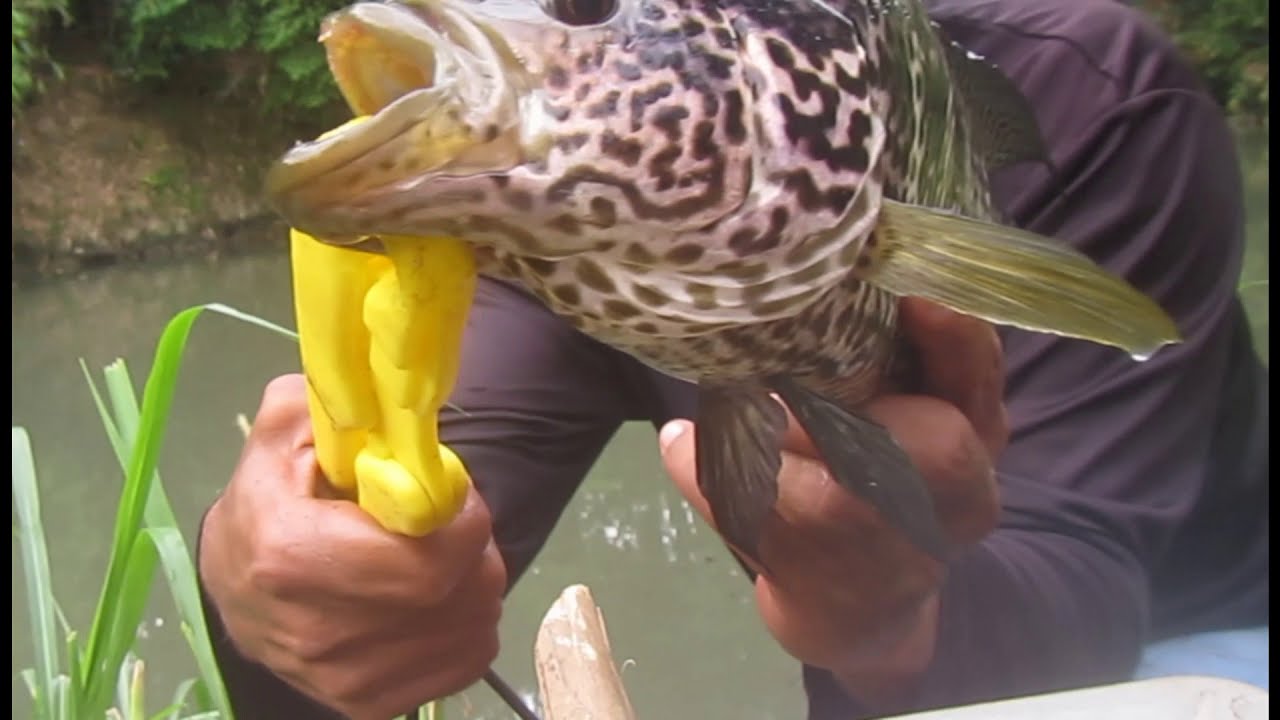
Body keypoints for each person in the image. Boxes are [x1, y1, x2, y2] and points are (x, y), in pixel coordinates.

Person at [195, 0, 1269, 718]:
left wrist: (890, 628)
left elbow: (1090, 595)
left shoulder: (1104, 94)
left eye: (582, 11)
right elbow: (395, 563)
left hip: (1187, 642)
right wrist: (274, 599)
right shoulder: (542, 228)